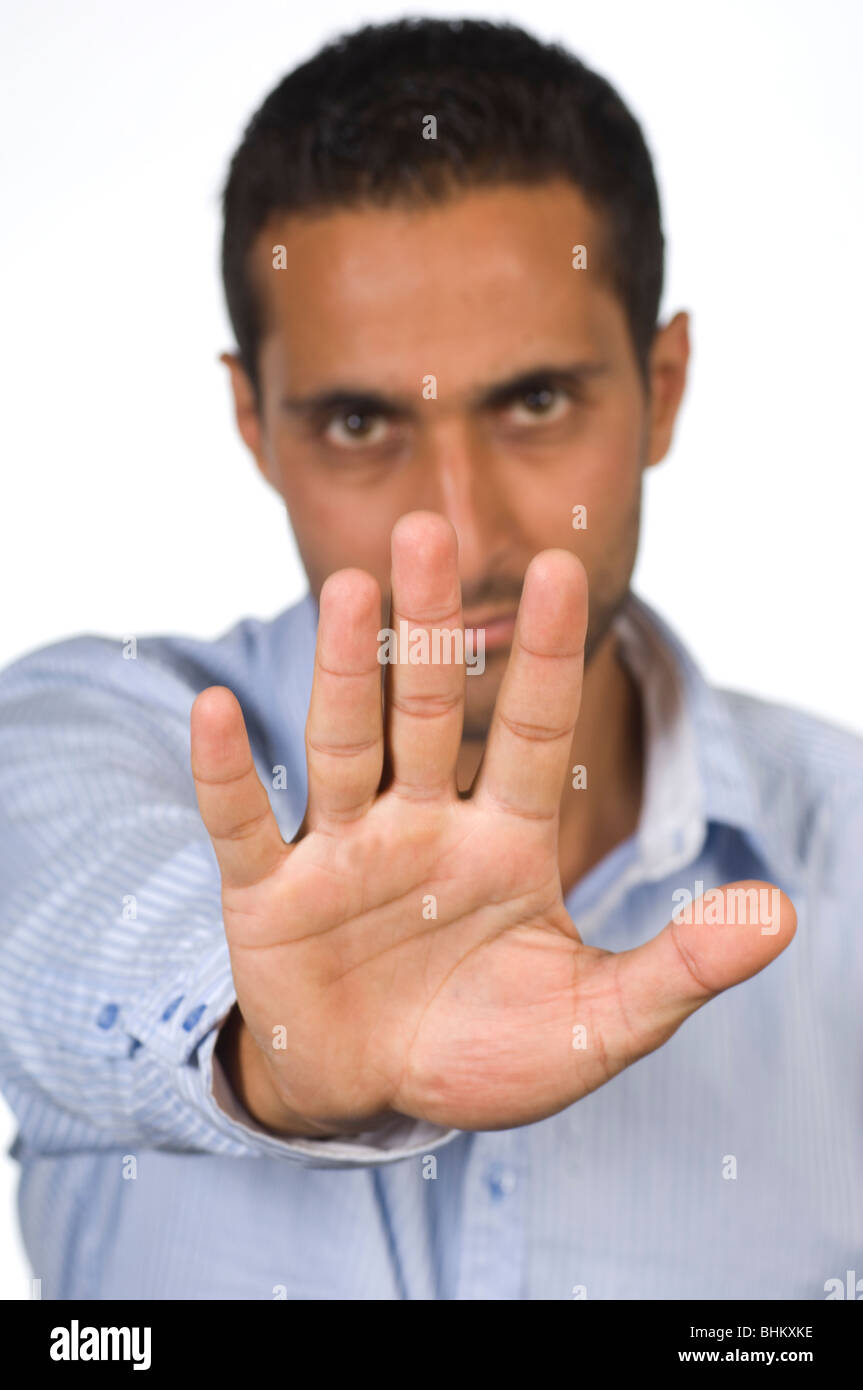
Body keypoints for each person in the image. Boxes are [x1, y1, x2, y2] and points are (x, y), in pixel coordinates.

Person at [0, 17, 860, 1302]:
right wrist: (269, 1046)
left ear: (662, 385)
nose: (455, 537)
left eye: (534, 401)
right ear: (251, 420)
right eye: (359, 421)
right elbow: (59, 931)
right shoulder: (73, 737)